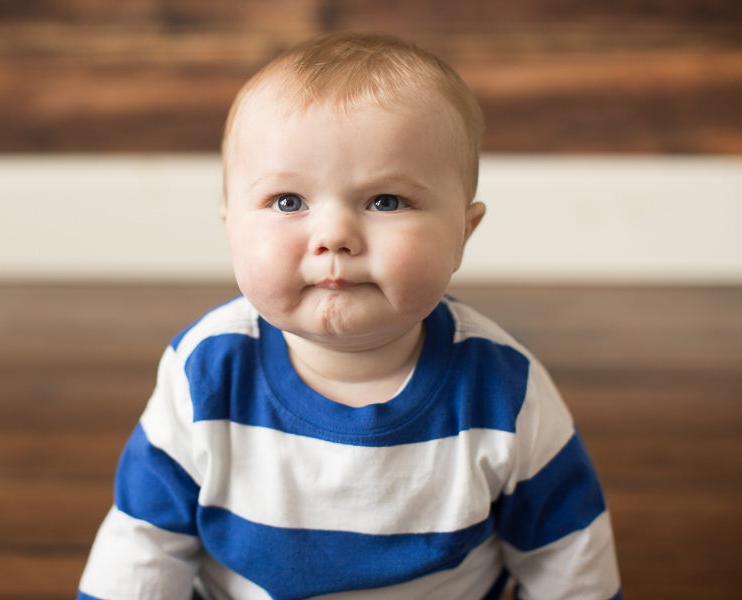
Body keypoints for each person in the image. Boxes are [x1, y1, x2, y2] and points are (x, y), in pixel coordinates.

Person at [77, 32, 621, 600]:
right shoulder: (205, 371)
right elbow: (144, 543)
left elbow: (568, 554)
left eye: (385, 201)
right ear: (231, 225)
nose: (334, 235)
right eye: (288, 202)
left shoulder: (505, 391)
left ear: (463, 232)